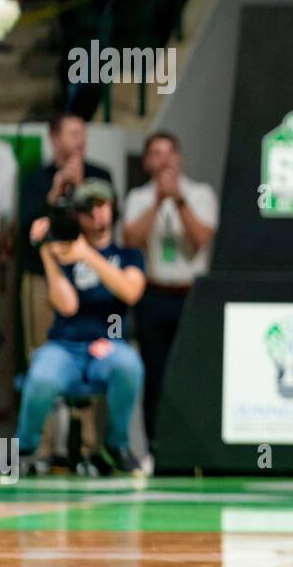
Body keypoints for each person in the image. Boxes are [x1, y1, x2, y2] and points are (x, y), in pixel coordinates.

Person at [18, 179, 146, 476]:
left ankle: (116, 445)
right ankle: (24, 447)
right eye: (89, 207)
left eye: (103, 205)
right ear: (79, 215)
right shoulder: (63, 256)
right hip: (65, 345)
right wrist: (47, 255)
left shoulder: (128, 255)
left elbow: (129, 291)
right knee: (41, 375)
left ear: (113, 209)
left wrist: (87, 254)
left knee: (129, 365)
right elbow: (67, 306)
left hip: (108, 343)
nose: (97, 213)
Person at [123, 132, 218, 451]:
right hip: (153, 295)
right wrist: (157, 202)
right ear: (147, 161)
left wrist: (178, 200)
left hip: (191, 296)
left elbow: (201, 238)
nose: (163, 159)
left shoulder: (200, 193)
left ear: (180, 157)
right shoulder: (138, 197)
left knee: (193, 372)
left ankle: (194, 447)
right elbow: (130, 240)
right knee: (155, 374)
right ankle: (155, 448)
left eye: (169, 152)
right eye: (155, 153)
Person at [19, 113, 115, 355]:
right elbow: (27, 227)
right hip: (43, 274)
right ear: (54, 138)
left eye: (83, 134)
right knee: (42, 351)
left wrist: (82, 187)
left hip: (90, 274)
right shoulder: (35, 179)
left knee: (95, 349)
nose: (81, 140)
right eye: (73, 134)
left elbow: (109, 222)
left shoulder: (99, 176)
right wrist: (54, 194)